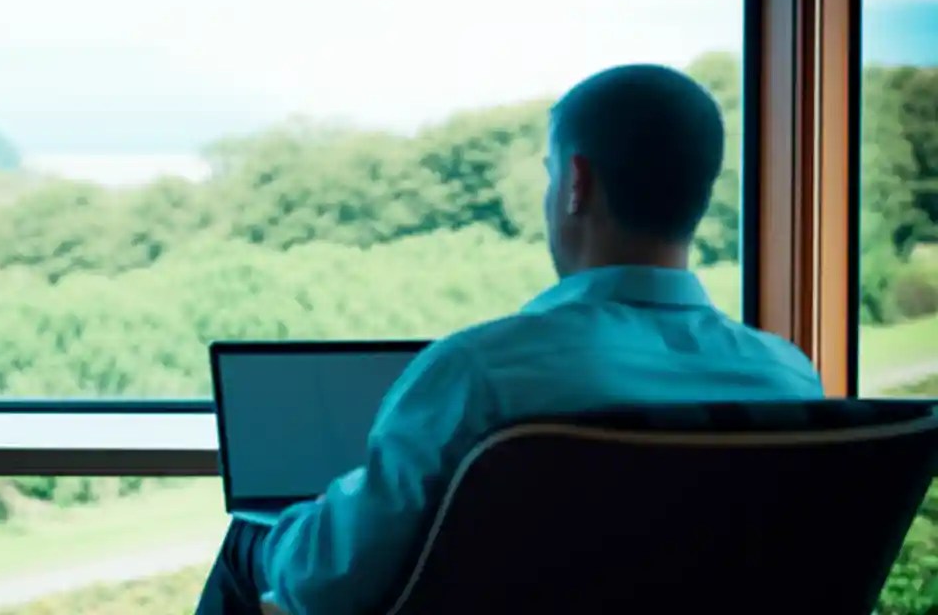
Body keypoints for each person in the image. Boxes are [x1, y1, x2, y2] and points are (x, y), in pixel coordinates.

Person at [193, 64, 824, 615]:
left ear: (576, 183)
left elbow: (326, 586)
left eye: (552, 174)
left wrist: (308, 517)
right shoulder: (788, 380)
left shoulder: (481, 376)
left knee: (258, 544)